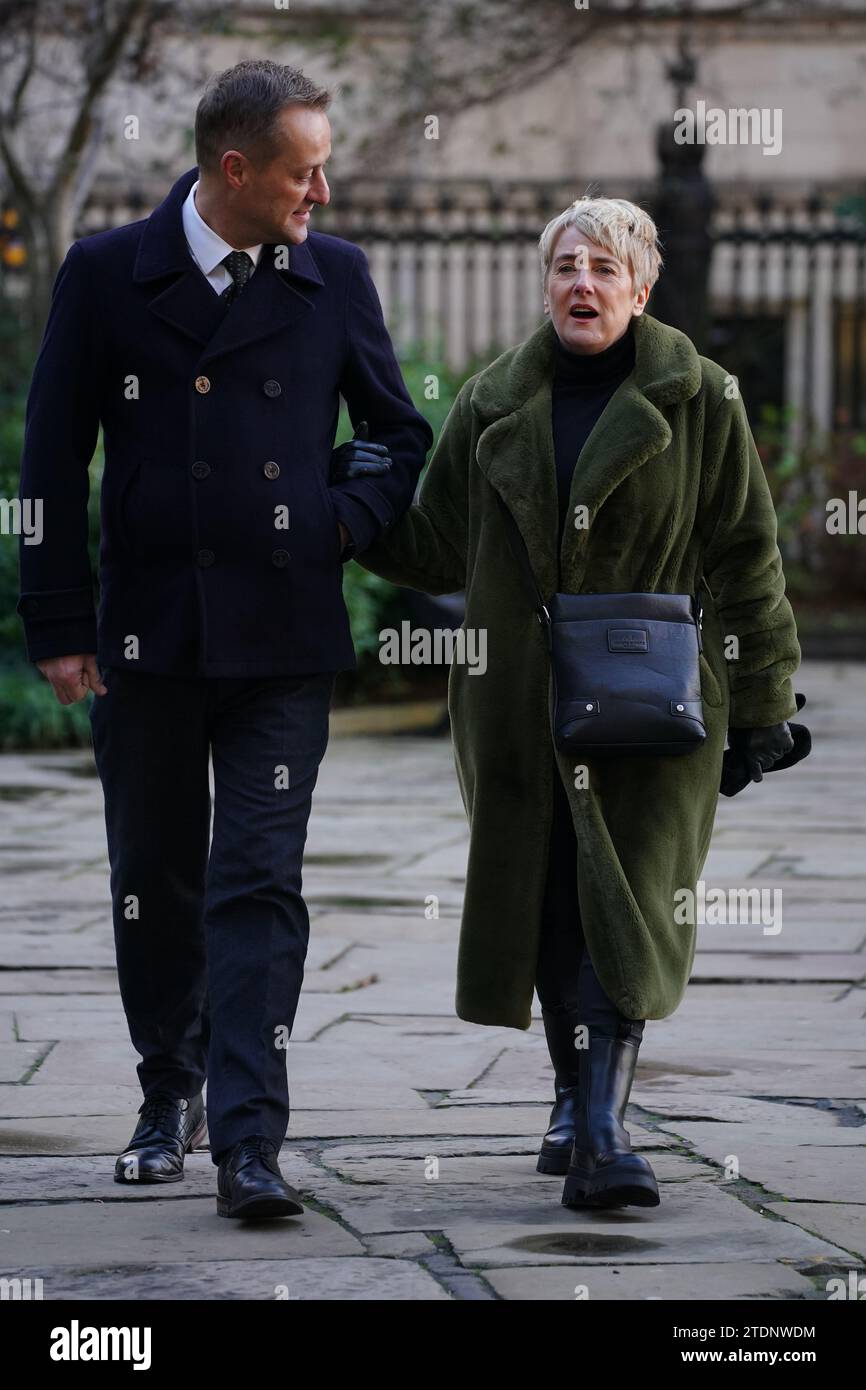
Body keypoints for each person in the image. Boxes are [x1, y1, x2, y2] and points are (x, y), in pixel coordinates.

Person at [16, 59, 432, 1220]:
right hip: (146, 639)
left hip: (282, 643)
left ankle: (251, 1138)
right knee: (155, 876)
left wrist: (335, 525)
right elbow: (49, 462)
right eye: (305, 172)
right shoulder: (107, 273)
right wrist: (56, 621)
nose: (325, 192)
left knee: (258, 883)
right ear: (234, 168)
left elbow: (400, 438)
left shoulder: (331, 276)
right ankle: (168, 1091)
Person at [334, 195, 808, 1211]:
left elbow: (743, 555)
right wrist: (353, 499)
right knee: (549, 897)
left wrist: (764, 704)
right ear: (543, 285)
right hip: (517, 702)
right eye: (564, 267)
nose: (581, 284)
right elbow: (429, 545)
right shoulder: (489, 403)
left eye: (602, 266)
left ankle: (599, 1124)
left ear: (639, 288)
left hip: (655, 702)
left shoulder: (701, 398)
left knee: (626, 898)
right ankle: (573, 1096)